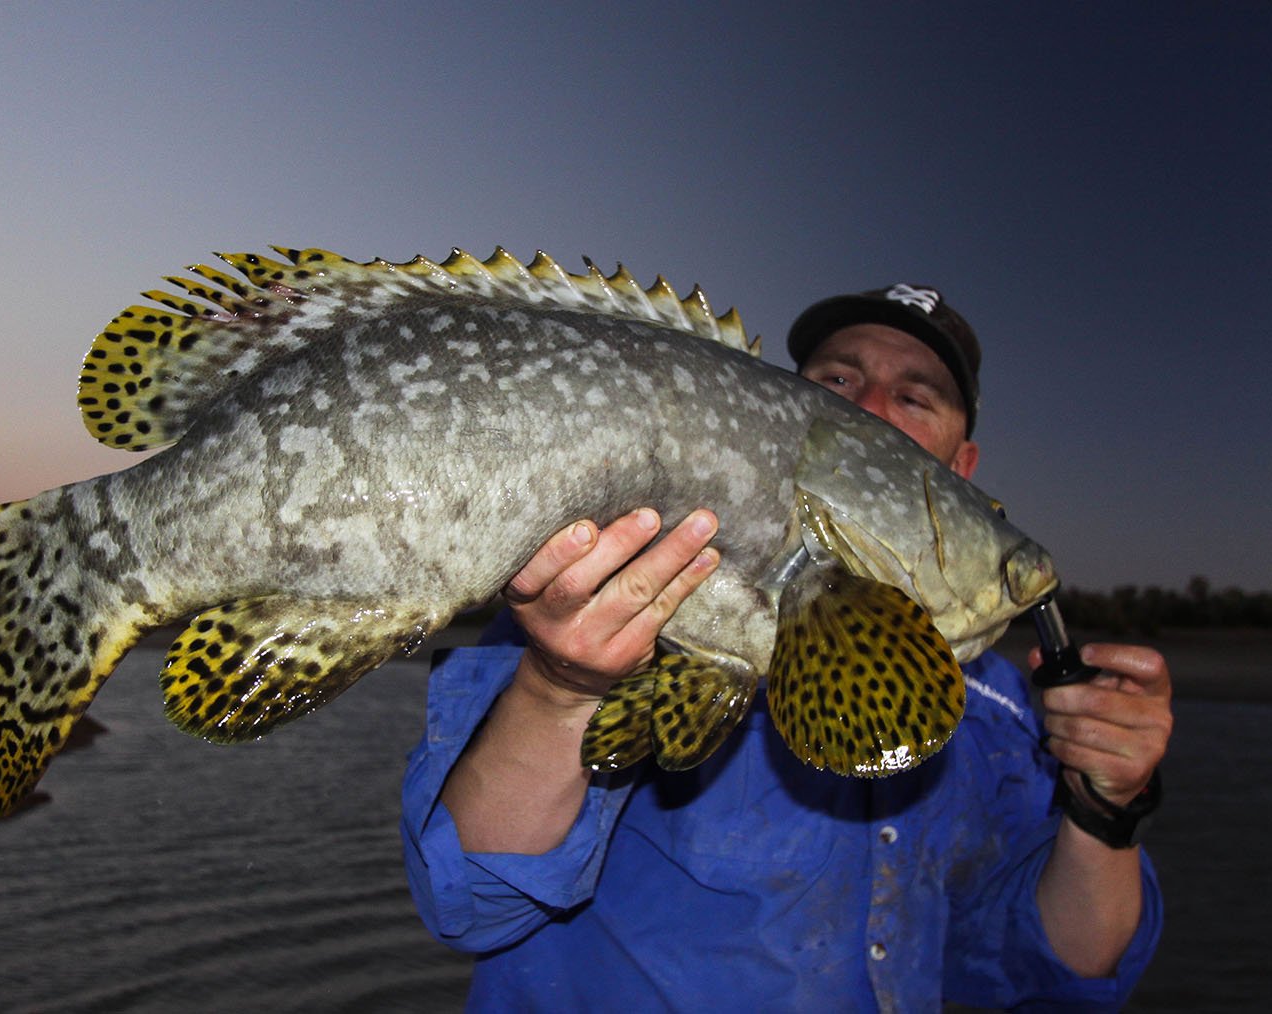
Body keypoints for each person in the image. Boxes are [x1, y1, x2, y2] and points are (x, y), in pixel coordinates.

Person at [401, 284, 1172, 1010]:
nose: (869, 406)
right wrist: (559, 688)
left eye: (913, 396)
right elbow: (470, 902)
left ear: (960, 467)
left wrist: (1105, 809)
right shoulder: (605, 595)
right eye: (836, 381)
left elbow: (1050, 970)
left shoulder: (998, 708)